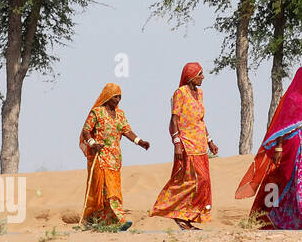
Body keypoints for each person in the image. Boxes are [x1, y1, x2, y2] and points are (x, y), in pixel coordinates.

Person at [235, 67, 302, 229]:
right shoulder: (292, 99)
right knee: (300, 186)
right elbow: (283, 126)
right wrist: (278, 149)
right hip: (298, 152)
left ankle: (297, 221)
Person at [151, 62, 217, 230]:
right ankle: (173, 209)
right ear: (191, 76)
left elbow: (200, 120)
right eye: (200, 74)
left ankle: (187, 217)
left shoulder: (200, 93)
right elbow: (174, 120)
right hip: (187, 143)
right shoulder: (180, 93)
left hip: (200, 143)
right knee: (190, 181)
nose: (203, 77)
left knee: (203, 182)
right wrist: (177, 143)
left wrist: (210, 140)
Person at [80, 83, 151, 229]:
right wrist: (93, 144)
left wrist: (140, 141)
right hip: (100, 156)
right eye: (115, 97)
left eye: (120, 97)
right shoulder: (97, 112)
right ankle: (120, 219)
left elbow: (127, 131)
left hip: (115, 158)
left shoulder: (120, 114)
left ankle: (103, 221)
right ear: (107, 97)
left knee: (113, 190)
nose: (118, 99)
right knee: (106, 189)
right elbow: (86, 131)